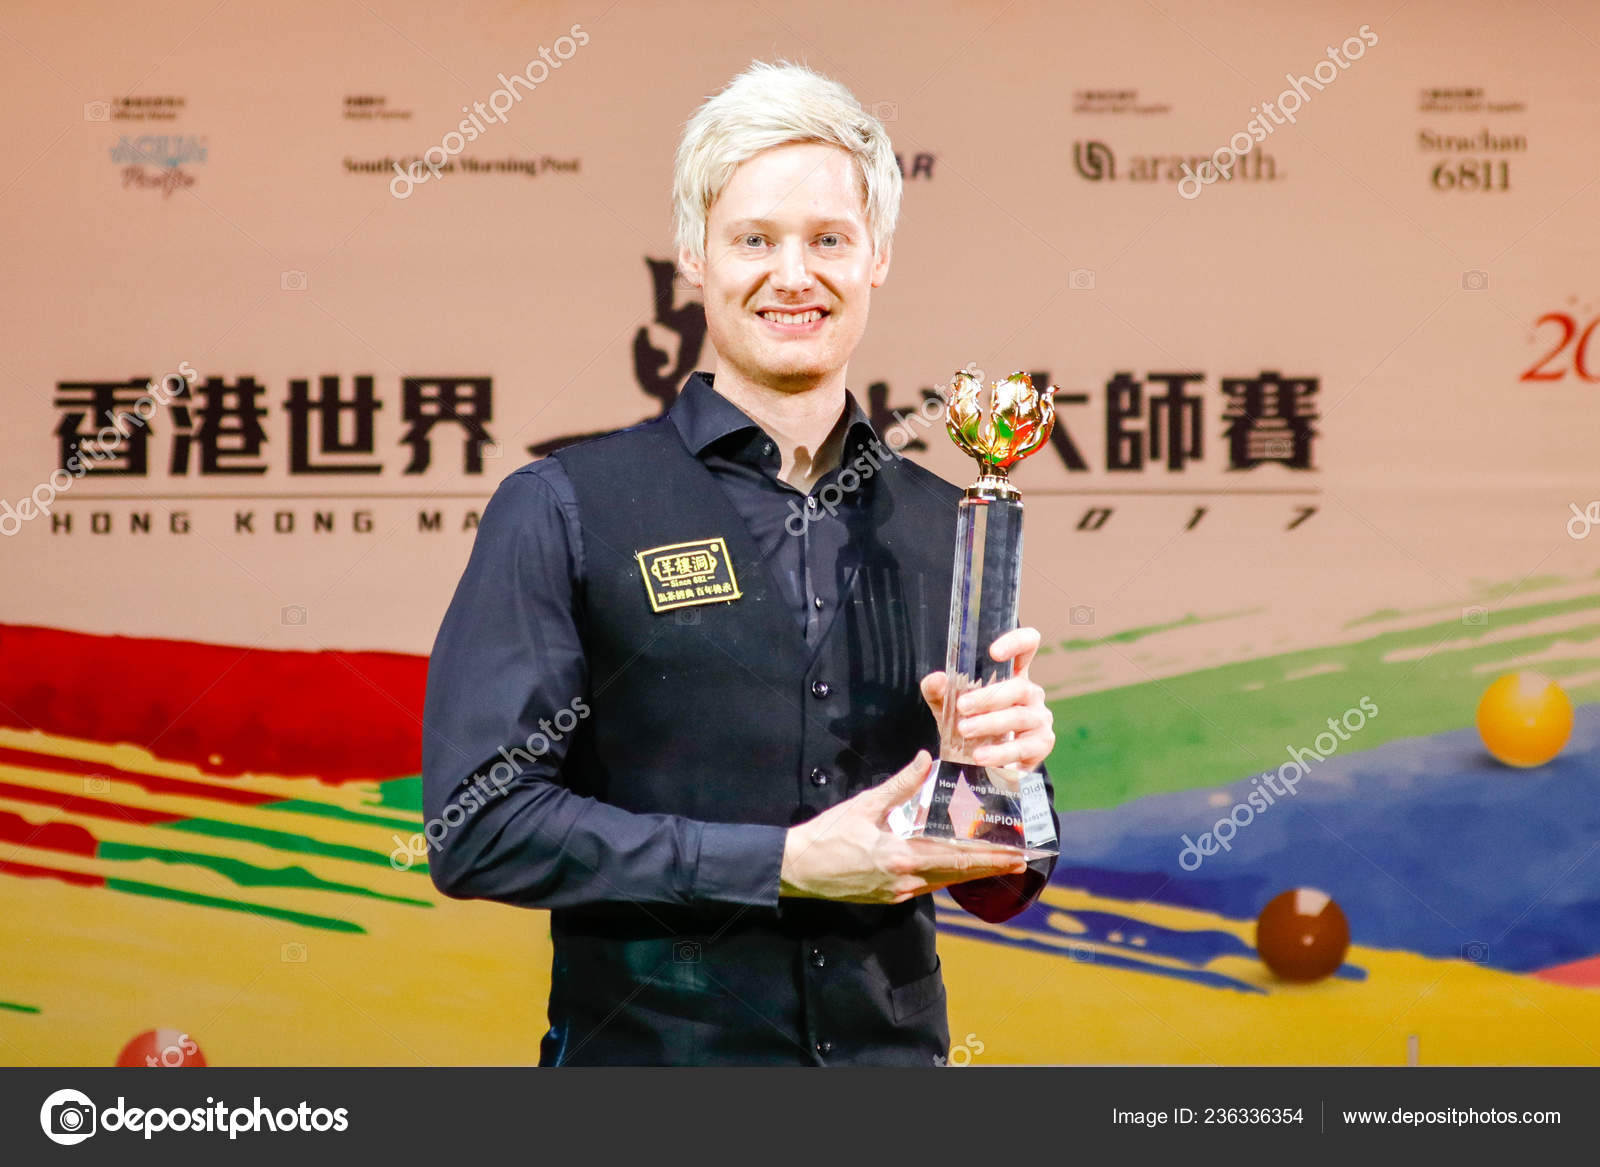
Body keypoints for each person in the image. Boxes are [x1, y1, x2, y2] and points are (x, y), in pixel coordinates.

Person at [422, 59, 1058, 1067]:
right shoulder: (565, 507)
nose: (793, 275)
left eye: (828, 241)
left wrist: (1007, 783)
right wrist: (786, 865)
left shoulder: (949, 523)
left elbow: (996, 887)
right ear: (693, 253)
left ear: (878, 255)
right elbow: (480, 827)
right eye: (754, 239)